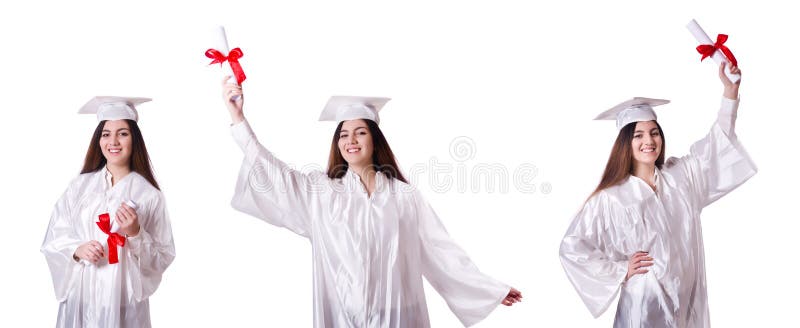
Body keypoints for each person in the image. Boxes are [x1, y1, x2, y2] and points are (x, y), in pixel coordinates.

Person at [221, 79, 522, 327]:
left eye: (360, 132)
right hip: (339, 316)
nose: (351, 140)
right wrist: (239, 119)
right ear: (337, 144)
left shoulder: (404, 197)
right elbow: (274, 174)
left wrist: (489, 290)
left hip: (399, 317)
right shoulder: (321, 194)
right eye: (344, 135)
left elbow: (439, 249)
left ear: (374, 139)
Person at [559, 63, 756, 327]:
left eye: (654, 132)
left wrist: (730, 92)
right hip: (644, 305)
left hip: (686, 302)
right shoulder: (612, 197)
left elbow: (716, 145)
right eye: (638, 135)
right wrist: (620, 270)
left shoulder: (680, 177)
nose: (648, 140)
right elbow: (572, 246)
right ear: (626, 144)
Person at [41, 96, 176, 328]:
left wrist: (135, 234)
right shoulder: (79, 186)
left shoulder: (149, 195)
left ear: (134, 139)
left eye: (123, 133)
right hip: (80, 301)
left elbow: (163, 256)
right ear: (98, 140)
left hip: (123, 305)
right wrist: (77, 250)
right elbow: (54, 237)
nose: (113, 141)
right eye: (106, 134)